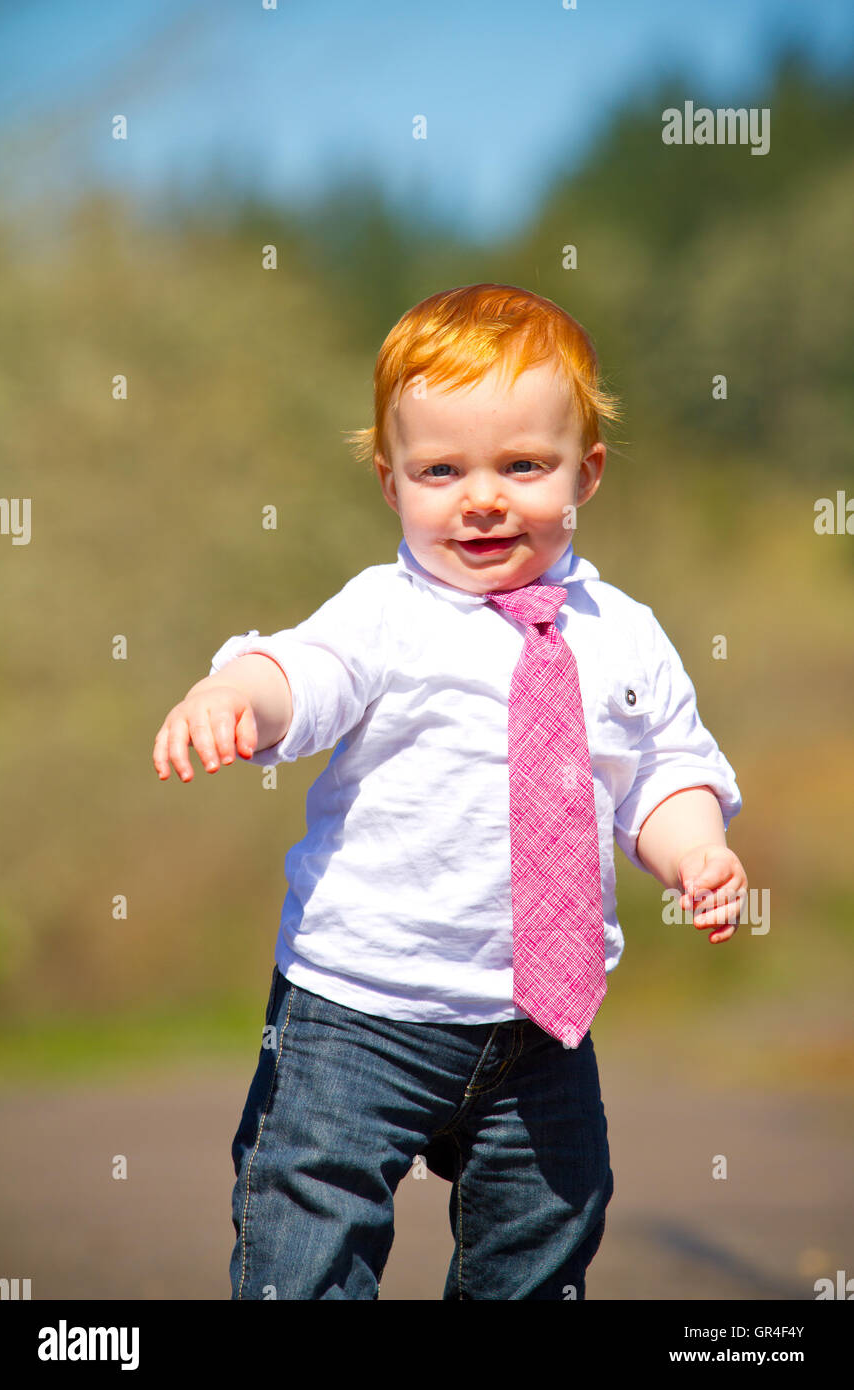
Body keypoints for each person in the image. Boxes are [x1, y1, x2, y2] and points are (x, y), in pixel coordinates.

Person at [153, 283, 747, 1300]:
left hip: (539, 1031)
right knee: (309, 1226)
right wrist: (234, 696)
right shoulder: (385, 614)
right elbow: (303, 670)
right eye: (441, 469)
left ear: (583, 474)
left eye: (522, 465)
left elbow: (658, 769)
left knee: (548, 1229)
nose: (481, 496)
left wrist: (693, 847)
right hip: (358, 1011)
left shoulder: (622, 631)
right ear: (391, 484)